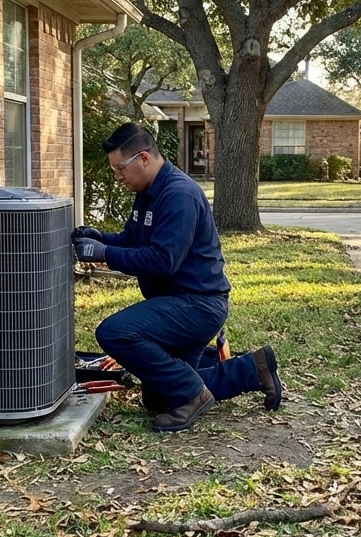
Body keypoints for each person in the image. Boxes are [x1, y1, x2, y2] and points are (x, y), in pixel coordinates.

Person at [72, 122, 281, 432]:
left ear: (143, 158)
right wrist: (100, 239)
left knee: (114, 333)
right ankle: (253, 369)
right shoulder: (147, 192)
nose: (118, 176)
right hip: (179, 303)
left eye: (120, 169)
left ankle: (194, 395)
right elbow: (132, 239)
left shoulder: (178, 194)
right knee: (158, 397)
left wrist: (102, 253)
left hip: (197, 305)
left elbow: (162, 260)